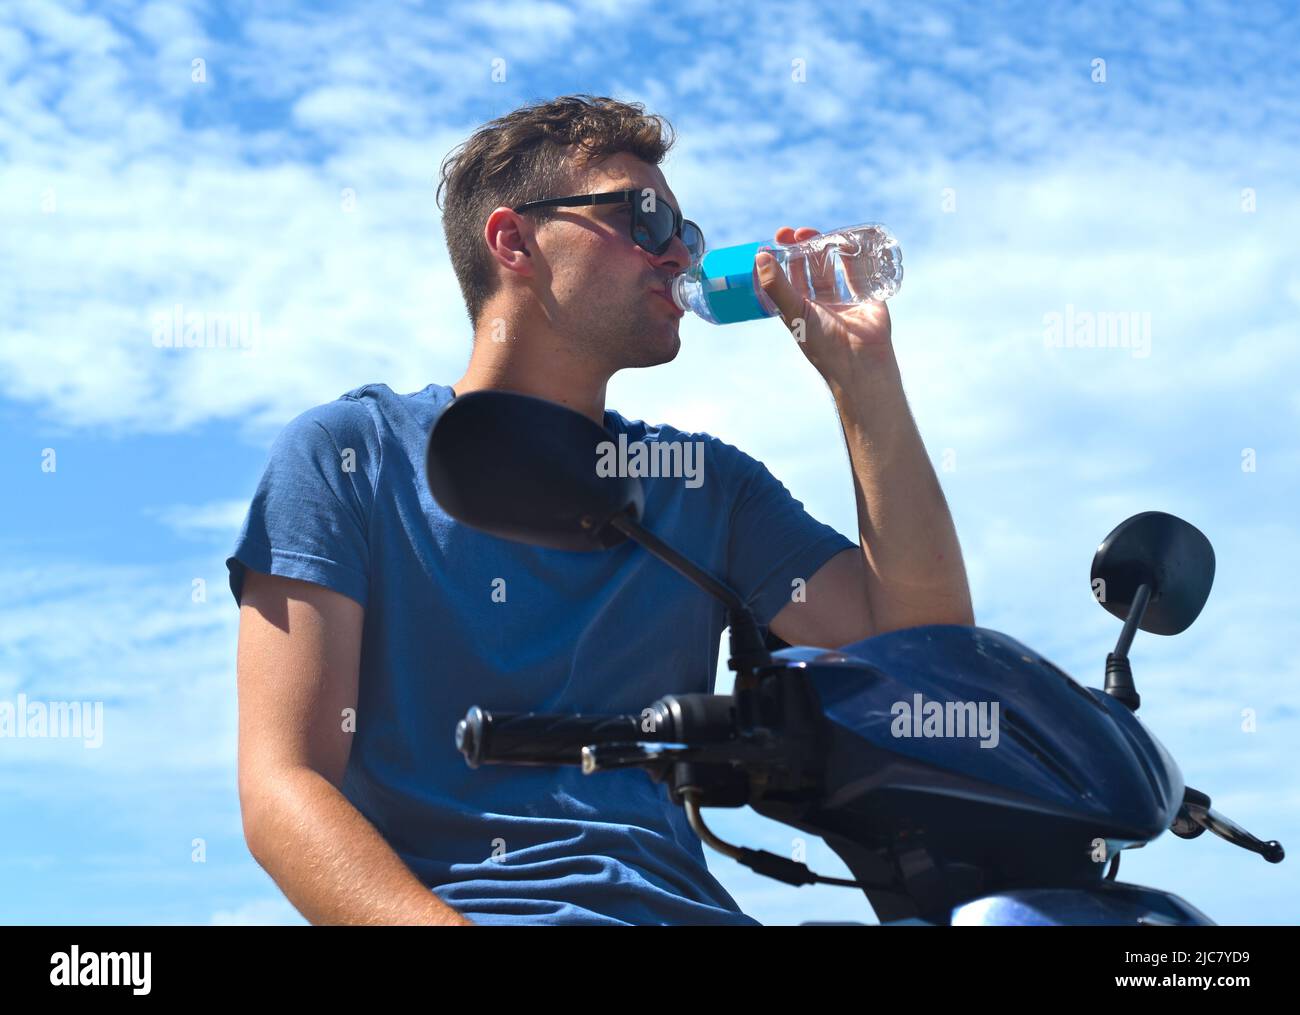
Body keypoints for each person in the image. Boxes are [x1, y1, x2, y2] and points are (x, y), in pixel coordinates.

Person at [228, 94, 974, 926]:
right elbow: (283, 784)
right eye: (645, 219)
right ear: (513, 241)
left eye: (684, 236)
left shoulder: (701, 485)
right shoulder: (348, 456)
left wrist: (864, 377)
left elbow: (927, 653)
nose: (675, 256)